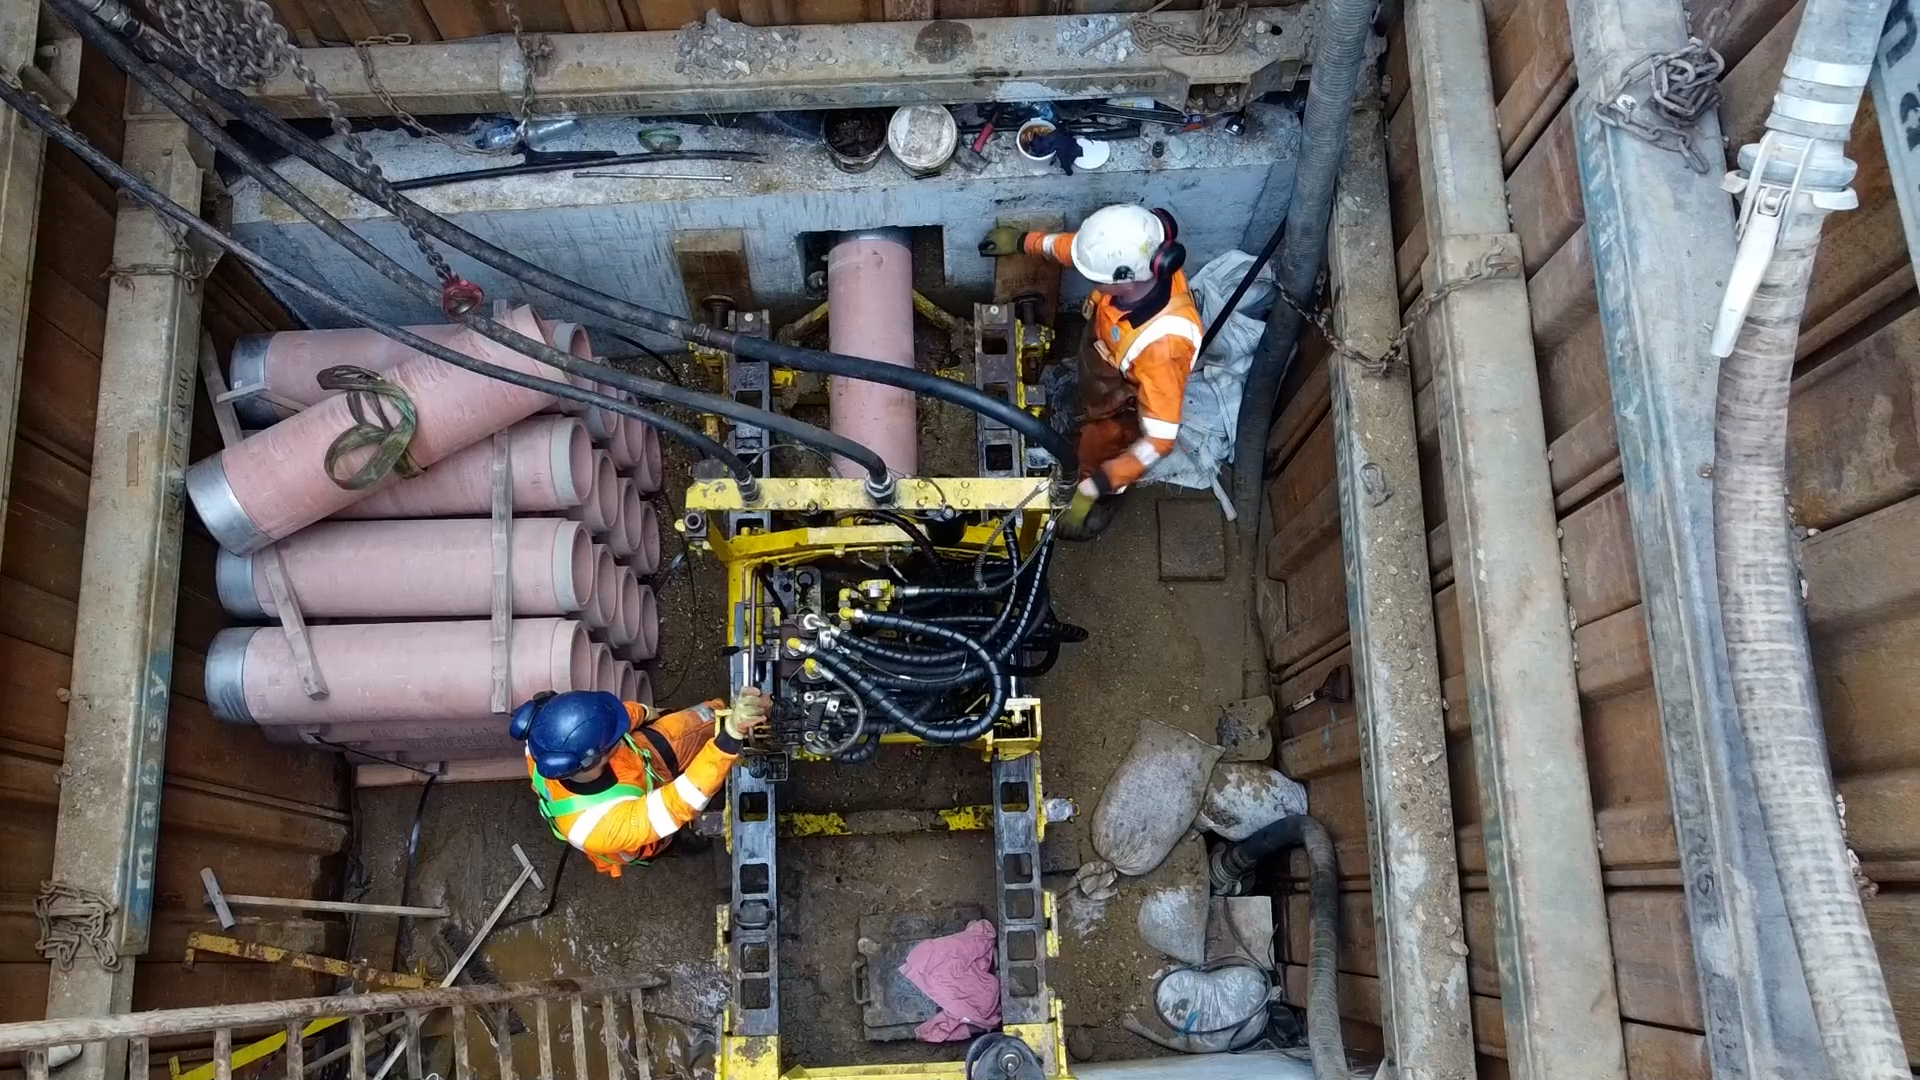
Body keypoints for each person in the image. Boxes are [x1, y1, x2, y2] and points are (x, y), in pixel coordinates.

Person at [981, 204, 1200, 540]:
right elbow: (1073, 249)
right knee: (1079, 411)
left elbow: (1159, 441)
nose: (1090, 281)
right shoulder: (1135, 260)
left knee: (1093, 457)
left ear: (1124, 279)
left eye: (1096, 278)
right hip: (1102, 370)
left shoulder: (1163, 347)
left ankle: (1097, 507)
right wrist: (1023, 241)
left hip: (1119, 413)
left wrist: (1092, 488)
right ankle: (1079, 422)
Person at [510, 686, 769, 876]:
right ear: (594, 759)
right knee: (670, 834)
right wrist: (730, 736)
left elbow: (614, 717)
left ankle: (727, 714)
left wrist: (647, 713)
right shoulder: (595, 826)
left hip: (641, 756)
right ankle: (682, 841)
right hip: (640, 826)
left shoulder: (543, 740)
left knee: (704, 718)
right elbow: (681, 801)